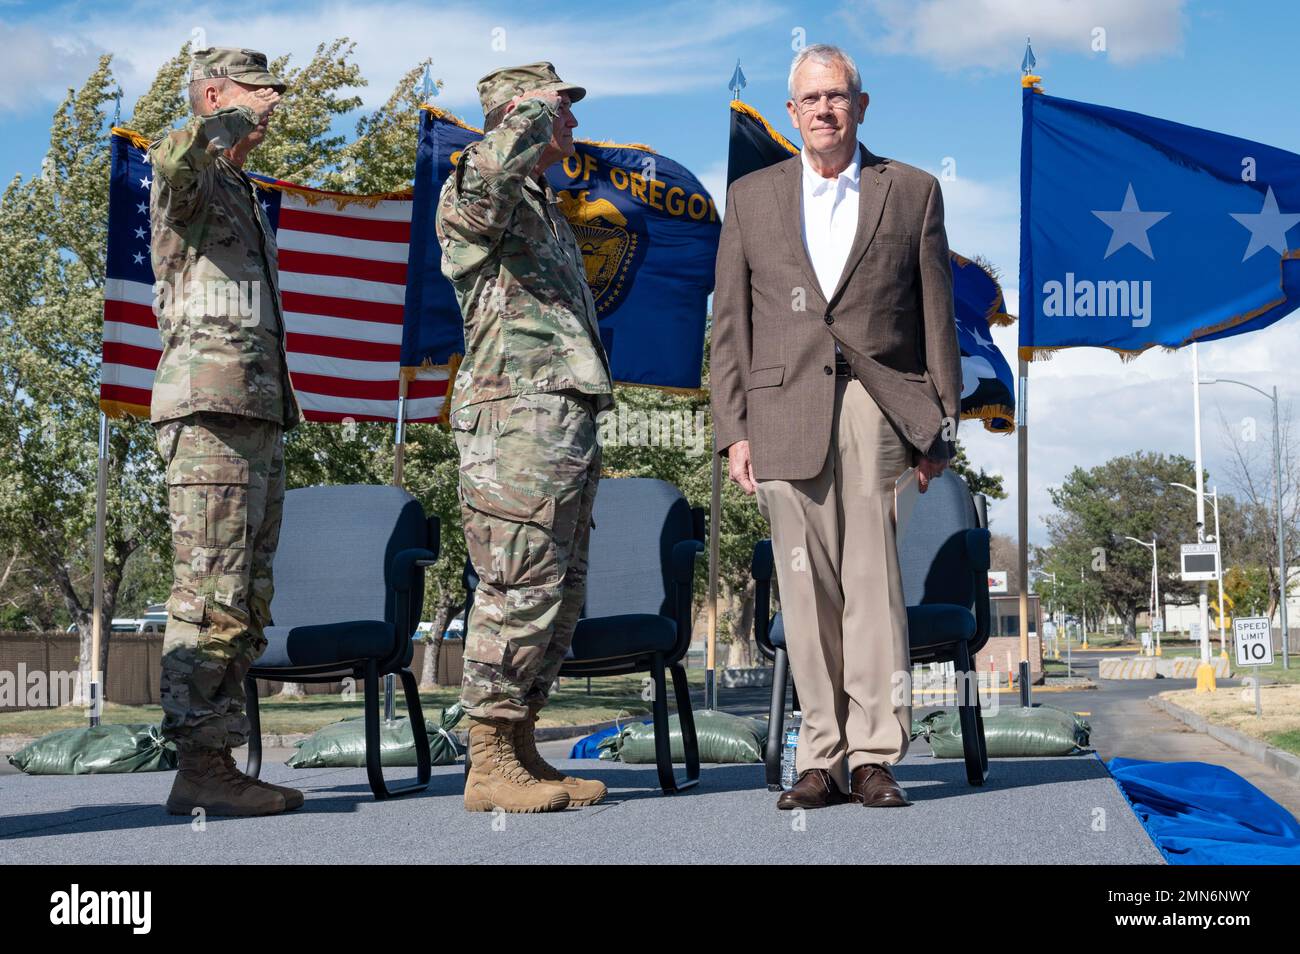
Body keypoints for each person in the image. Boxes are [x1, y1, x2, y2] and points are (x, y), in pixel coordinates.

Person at [711, 44, 962, 809]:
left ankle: (874, 757)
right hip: (780, 410)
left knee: (873, 587)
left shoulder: (912, 191)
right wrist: (733, 431)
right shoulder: (751, 198)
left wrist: (938, 428)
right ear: (792, 114)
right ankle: (819, 756)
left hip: (879, 406)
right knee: (803, 587)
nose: (825, 110)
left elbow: (936, 316)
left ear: (861, 104)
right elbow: (730, 324)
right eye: (811, 99)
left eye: (838, 96)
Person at [436, 62, 614, 813]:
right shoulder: (477, 189)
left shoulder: (542, 204)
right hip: (513, 424)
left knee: (556, 588)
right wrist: (527, 118)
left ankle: (518, 743)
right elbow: (482, 191)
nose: (569, 125)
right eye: (554, 112)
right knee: (515, 586)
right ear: (515, 118)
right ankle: (485, 763)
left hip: (558, 424)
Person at [149, 47, 303, 817]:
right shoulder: (194, 172)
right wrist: (220, 121)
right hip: (210, 411)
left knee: (246, 594)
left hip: (254, 410)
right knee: (209, 592)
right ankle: (201, 764)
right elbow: (175, 159)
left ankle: (217, 757)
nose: (274, 104)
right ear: (215, 95)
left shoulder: (239, 186)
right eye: (258, 91)